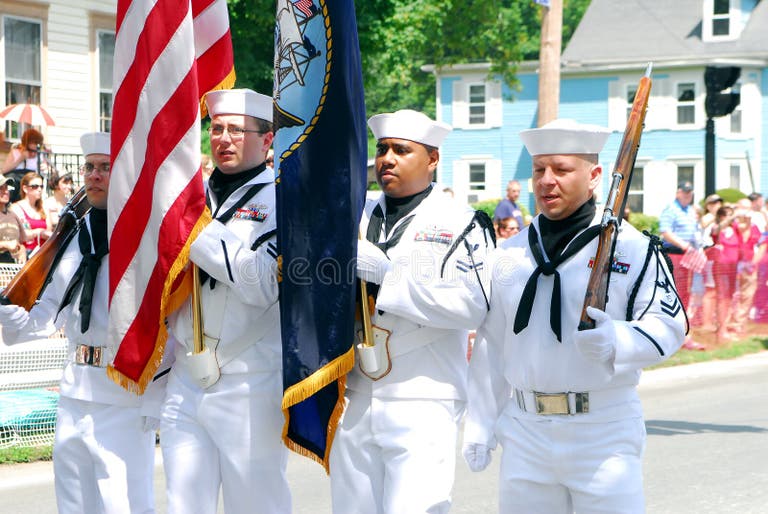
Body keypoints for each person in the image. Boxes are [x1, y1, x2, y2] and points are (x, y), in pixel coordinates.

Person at [462, 119, 686, 513]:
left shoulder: (631, 249)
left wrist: (619, 339)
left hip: (602, 430)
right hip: (525, 429)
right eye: (539, 170)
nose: (547, 180)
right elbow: (491, 345)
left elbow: (670, 326)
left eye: (562, 169)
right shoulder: (508, 254)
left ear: (595, 175)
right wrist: (481, 420)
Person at [329, 109, 494, 514]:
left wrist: (390, 278)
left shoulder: (463, 222)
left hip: (424, 393)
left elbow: (474, 306)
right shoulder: (351, 213)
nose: (387, 159)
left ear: (432, 159)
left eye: (402, 150)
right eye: (383, 149)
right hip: (354, 392)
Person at [0, 132, 167, 513]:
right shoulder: (75, 235)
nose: (94, 175)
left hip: (123, 388)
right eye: (89, 167)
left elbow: (164, 319)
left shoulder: (144, 239)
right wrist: (12, 315)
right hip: (75, 388)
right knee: (73, 500)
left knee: (123, 501)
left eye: (105, 168)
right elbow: (50, 311)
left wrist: (155, 397)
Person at [161, 89, 290, 514]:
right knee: (184, 505)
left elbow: (260, 285)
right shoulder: (190, 197)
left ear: (267, 140)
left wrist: (195, 230)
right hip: (185, 377)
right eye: (216, 129)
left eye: (237, 130)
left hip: (249, 380)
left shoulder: (284, 200)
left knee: (256, 504)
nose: (224, 139)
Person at [659, 180, 704, 350]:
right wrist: (685, 245)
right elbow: (665, 231)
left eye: (690, 192)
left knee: (684, 294)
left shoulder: (689, 210)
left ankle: (683, 334)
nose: (687, 195)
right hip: (675, 255)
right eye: (684, 192)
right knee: (675, 294)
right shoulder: (671, 208)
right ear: (678, 192)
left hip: (687, 256)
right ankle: (676, 335)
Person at [715, 199, 763, 338]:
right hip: (731, 266)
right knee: (731, 295)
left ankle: (738, 324)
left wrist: (753, 263)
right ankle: (726, 325)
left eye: (748, 208)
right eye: (743, 208)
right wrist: (734, 216)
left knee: (747, 296)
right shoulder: (730, 226)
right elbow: (717, 230)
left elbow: (760, 244)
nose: (746, 212)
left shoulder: (754, 226)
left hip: (749, 265)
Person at [11, 171, 53, 256]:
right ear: (25, 188)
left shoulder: (44, 207)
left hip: (44, 254)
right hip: (26, 254)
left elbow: (49, 231)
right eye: (35, 186)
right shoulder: (17, 208)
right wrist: (39, 232)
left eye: (41, 186)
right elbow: (20, 234)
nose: (39, 189)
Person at [0, 175, 26, 264]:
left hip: (11, 268)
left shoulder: (12, 215)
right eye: (1, 188)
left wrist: (22, 249)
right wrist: (5, 244)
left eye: (6, 188)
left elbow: (22, 240)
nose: (5, 191)